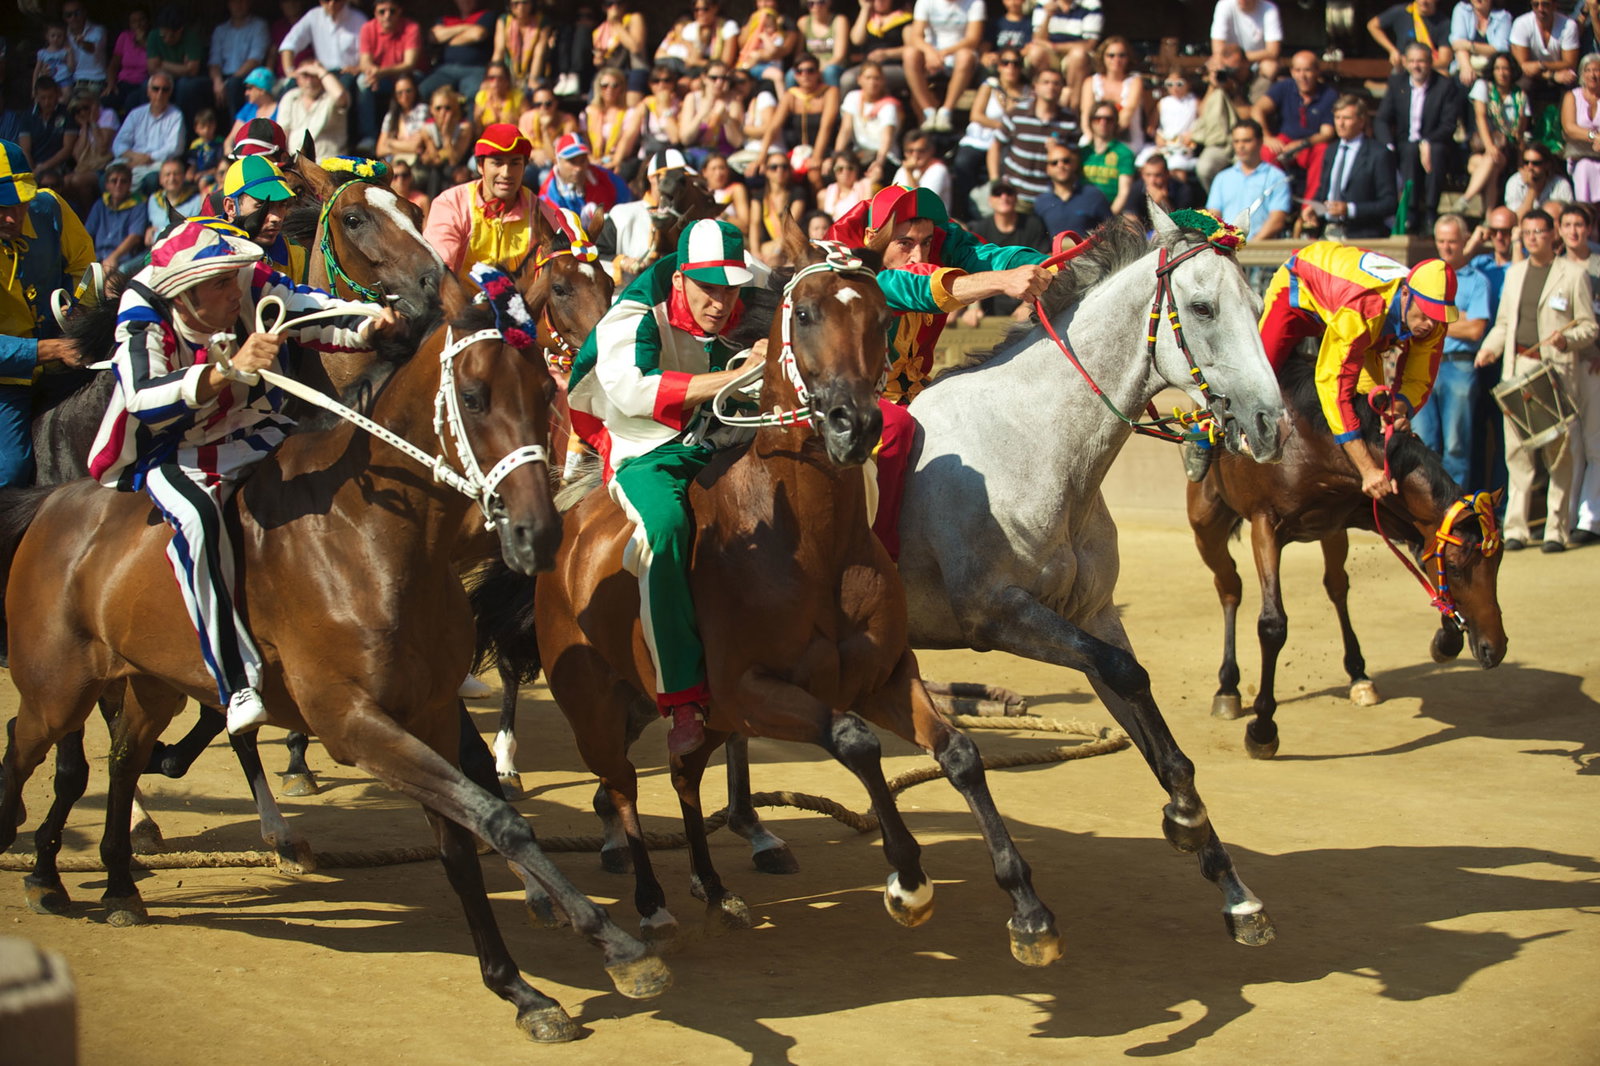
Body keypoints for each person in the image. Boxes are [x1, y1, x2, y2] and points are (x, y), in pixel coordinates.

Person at [87, 220, 395, 734]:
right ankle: (235, 681)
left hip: (260, 428)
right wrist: (224, 371)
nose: (237, 289)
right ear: (184, 297)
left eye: (235, 278)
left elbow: (312, 311)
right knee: (197, 520)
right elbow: (142, 396)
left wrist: (369, 326)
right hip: (173, 449)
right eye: (220, 285)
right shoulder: (143, 314)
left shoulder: (248, 283)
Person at [565, 218, 766, 756]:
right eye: (707, 287)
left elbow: (802, 290)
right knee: (668, 526)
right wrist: (737, 374)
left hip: (710, 435)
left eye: (730, 288)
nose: (721, 301)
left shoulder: (743, 291)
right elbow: (632, 394)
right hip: (639, 448)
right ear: (678, 280)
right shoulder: (629, 317)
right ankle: (680, 697)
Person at [1186, 241, 1459, 497]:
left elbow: (1419, 378)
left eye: (1437, 317)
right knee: (1255, 378)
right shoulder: (1363, 310)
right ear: (1406, 294)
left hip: (1350, 312)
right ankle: (1201, 431)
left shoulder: (1433, 319)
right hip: (1297, 292)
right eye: (1423, 314)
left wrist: (1399, 409)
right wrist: (1366, 469)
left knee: (1374, 413)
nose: (1429, 325)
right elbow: (1332, 387)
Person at [1476, 208, 1596, 550]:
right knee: (1517, 453)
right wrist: (1489, 350)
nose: (1532, 238)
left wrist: (1567, 339)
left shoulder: (1573, 274)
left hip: (1555, 371)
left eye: (1539, 232)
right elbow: (1502, 325)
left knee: (1559, 454)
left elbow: (1588, 326)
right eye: (1526, 232)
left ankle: (1556, 530)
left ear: (1552, 234)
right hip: (1517, 371)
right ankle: (1515, 528)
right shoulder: (1514, 274)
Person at [0, 138, 94, 487]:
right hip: (6, 382)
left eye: (20, 202)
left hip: (65, 356)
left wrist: (83, 315)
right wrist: (51, 349)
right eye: (1, 206)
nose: (12, 215)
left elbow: (86, 266)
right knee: (11, 471)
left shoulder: (49, 207)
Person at [1414, 214, 1493, 487]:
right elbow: (1412, 320)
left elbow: (1475, 331)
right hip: (1423, 364)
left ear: (1465, 241)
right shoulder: (1424, 278)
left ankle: (1455, 510)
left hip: (1459, 365)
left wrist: (1433, 319)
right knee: (1423, 443)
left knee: (1457, 445)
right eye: (1441, 241)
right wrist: (1457, 318)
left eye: (1452, 241)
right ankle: (1429, 509)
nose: (1446, 247)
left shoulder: (1477, 281)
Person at [426, 123, 541, 280]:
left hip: (521, 304)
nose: (506, 173)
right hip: (461, 302)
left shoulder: (541, 212)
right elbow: (438, 271)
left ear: (524, 167)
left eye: (515, 163)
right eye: (497, 163)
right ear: (480, 166)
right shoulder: (451, 204)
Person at [1376, 41, 1466, 234]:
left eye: (1422, 61)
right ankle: (1411, 210)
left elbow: (1449, 124)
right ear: (1406, 63)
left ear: (1430, 62)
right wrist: (1388, 146)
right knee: (1408, 150)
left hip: (1436, 143)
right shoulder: (1397, 84)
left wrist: (1427, 141)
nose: (1417, 66)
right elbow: (1382, 119)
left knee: (1436, 150)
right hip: (1403, 145)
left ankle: (1430, 211)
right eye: (1413, 61)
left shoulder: (1445, 86)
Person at [1559, 205, 1600, 544]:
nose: (1573, 231)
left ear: (1589, 229)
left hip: (1593, 363)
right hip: (1561, 366)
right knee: (1568, 446)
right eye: (1567, 225)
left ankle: (1591, 517)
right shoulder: (1554, 266)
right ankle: (1565, 519)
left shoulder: (1598, 265)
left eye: (1579, 225)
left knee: (1594, 443)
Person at [1302, 93, 1396, 240]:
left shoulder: (1378, 154)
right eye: (1337, 118)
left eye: (1346, 118)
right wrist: (1314, 208)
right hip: (1329, 231)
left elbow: (1389, 203)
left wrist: (1350, 209)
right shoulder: (1331, 151)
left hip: (1362, 234)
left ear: (1361, 121)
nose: (1340, 123)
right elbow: (1324, 190)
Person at [957, 179, 1048, 325]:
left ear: (1016, 198)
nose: (1004, 197)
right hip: (990, 310)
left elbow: (1045, 266)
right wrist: (973, 307)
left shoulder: (1033, 225)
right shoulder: (980, 228)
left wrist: (1029, 305)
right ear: (990, 200)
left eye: (1009, 192)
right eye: (998, 193)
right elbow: (971, 270)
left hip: (1027, 304)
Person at [598, 148, 693, 285]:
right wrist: (622, 262)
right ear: (652, 178)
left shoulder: (689, 220)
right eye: (672, 177)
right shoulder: (623, 214)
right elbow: (595, 255)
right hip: (627, 298)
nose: (678, 184)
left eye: (683, 179)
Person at [992, 65, 1076, 206]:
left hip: (1050, 197)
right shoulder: (1017, 113)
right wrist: (995, 179)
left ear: (1062, 88)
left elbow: (1074, 159)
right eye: (1046, 82)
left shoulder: (1069, 120)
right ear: (1035, 86)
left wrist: (1058, 151)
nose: (1051, 87)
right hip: (1016, 196)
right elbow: (996, 145)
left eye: (1056, 83)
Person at [1252, 51, 1335, 188]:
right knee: (1266, 151)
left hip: (1311, 144)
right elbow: (1257, 109)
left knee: (1323, 151)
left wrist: (1301, 144)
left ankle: (1309, 206)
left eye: (1307, 70)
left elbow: (1327, 134)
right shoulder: (1285, 86)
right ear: (1292, 72)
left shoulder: (1329, 95)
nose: (1302, 76)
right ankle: (1273, 200)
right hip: (1284, 141)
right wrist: (1266, 136)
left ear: (1317, 71)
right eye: (1298, 70)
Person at [216, 154, 304, 277]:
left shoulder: (298, 256)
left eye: (282, 205)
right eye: (262, 205)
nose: (276, 218)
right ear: (231, 207)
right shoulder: (207, 251)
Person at [903, 0, 984, 132]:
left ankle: (946, 112)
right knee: (909, 54)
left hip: (958, 55)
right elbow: (916, 36)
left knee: (966, 56)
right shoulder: (925, 2)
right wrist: (930, 52)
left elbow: (973, 39)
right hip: (930, 56)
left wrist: (944, 53)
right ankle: (928, 111)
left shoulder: (975, 3)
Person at [1462, 51, 1528, 212]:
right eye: (1498, 68)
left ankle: (1466, 199)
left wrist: (1521, 163)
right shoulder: (1483, 86)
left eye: (1505, 69)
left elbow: (1520, 132)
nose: (1502, 73)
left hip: (1507, 149)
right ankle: (1488, 216)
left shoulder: (1520, 95)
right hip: (1484, 147)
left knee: (1492, 161)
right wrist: (1490, 146)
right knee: (1491, 164)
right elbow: (1481, 117)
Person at [356, 0, 424, 154]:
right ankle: (369, 137)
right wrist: (372, 73)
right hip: (382, 80)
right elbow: (365, 61)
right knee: (363, 82)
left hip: (408, 77)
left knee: (420, 82)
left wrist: (379, 71)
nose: (387, 16)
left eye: (392, 11)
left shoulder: (411, 28)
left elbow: (409, 64)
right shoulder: (367, 28)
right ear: (375, 13)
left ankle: (416, 135)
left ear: (399, 11)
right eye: (382, 11)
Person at [1204, 118, 1288, 238]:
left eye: (1247, 141)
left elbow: (1277, 220)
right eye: (1236, 141)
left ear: (1260, 142)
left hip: (1261, 251)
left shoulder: (1277, 177)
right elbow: (1213, 216)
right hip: (1227, 249)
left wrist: (1250, 246)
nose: (1241, 146)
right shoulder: (1222, 178)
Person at [112, 74, 186, 194]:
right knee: (109, 176)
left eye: (165, 89)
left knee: (151, 180)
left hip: (157, 163)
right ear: (148, 91)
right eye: (156, 89)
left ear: (170, 92)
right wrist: (136, 157)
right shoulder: (136, 114)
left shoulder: (176, 115)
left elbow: (175, 148)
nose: (160, 93)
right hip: (132, 160)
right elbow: (118, 143)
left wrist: (148, 158)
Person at [1026, 0, 1102, 105]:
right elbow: (1037, 39)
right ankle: (1037, 103)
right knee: (1036, 53)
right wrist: (1048, 16)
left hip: (1073, 53)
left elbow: (1090, 43)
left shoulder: (1090, 4)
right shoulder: (1043, 3)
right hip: (1050, 53)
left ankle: (1072, 107)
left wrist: (1055, 47)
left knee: (1078, 56)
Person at [537, 131, 633, 214]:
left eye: (582, 160)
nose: (578, 168)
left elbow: (627, 203)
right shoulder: (547, 196)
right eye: (572, 161)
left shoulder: (607, 177)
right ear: (557, 161)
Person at [1031, 138, 1110, 236]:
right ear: (1047, 169)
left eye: (1066, 161)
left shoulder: (1094, 195)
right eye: (1054, 163)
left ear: (1074, 164)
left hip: (1089, 251)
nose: (1061, 165)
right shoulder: (1041, 202)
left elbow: (1111, 232)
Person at [1081, 36, 1147, 153]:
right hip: (1095, 136)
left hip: (1127, 137)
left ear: (1128, 58)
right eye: (1111, 55)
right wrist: (1093, 137)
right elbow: (1086, 113)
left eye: (1122, 55)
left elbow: (1128, 112)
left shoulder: (1135, 81)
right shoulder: (1090, 82)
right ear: (1103, 57)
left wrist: (1108, 140)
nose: (1116, 59)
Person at [278, 60, 352, 161]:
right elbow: (283, 134)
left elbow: (339, 95)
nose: (309, 81)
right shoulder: (290, 97)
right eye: (305, 76)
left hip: (328, 165)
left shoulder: (331, 97)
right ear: (298, 79)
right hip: (297, 165)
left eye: (314, 76)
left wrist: (320, 70)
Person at [212, 0, 273, 121]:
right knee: (191, 87)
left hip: (246, 76)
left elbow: (255, 59)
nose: (238, 5)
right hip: (222, 77)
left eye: (242, 1)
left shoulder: (259, 26)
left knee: (234, 85)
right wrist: (217, 82)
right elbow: (214, 61)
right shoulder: (220, 30)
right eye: (235, 2)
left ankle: (237, 133)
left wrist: (229, 81)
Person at [86, 163, 146, 273]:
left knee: (109, 285)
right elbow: (87, 233)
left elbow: (135, 237)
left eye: (123, 181)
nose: (118, 185)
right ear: (107, 185)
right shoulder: (100, 204)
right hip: (97, 257)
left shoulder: (138, 205)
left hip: (123, 259)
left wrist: (113, 257)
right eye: (114, 181)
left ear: (130, 184)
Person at [1081, 100, 1136, 215]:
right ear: (1091, 122)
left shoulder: (1124, 153)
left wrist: (1106, 221)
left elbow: (1123, 192)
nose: (1103, 122)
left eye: (1108, 119)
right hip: (1081, 212)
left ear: (1115, 122)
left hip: (1109, 214)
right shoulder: (1082, 152)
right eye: (1098, 118)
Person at [1368, 0, 1454, 73]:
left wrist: (1417, 65)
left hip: (1429, 71)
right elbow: (1372, 25)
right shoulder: (1401, 12)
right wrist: (1392, 51)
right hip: (1402, 69)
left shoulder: (1444, 23)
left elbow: (1444, 61)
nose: (1423, 1)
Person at [1211, 0, 1283, 86]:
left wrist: (1241, 58)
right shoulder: (1223, 5)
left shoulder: (1270, 9)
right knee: (1214, 68)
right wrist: (1226, 63)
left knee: (1270, 67)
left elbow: (1273, 51)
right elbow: (1217, 50)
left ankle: (1259, 95)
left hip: (1257, 62)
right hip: (1229, 63)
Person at [1123, 153, 1199, 231]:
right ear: (1142, 174)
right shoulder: (1136, 188)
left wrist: (1164, 203)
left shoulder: (1183, 190)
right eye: (1148, 175)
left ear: (1167, 174)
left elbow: (1182, 225)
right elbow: (1130, 217)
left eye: (1157, 175)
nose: (1152, 181)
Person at [1560, 52, 1600, 200]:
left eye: (1597, 70)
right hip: (1580, 155)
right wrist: (1594, 137)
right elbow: (1570, 128)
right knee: (1584, 168)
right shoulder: (1572, 96)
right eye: (1588, 70)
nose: (1592, 75)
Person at [1504, 140, 1573, 219]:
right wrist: (1532, 189)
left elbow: (1566, 217)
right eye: (1526, 162)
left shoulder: (1561, 184)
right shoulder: (1514, 182)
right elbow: (1517, 219)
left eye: (1535, 163)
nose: (1530, 167)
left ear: (1547, 165)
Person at [1451, 0, 1513, 86]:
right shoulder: (1461, 9)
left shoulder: (1504, 17)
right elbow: (1457, 44)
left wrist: (1470, 46)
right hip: (1465, 67)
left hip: (1492, 73)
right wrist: (1466, 67)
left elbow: (1501, 49)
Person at [890, 128, 951, 202]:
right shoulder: (903, 170)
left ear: (931, 150)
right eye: (910, 151)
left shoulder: (938, 169)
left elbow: (921, 205)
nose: (915, 155)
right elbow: (893, 199)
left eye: (921, 151)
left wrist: (909, 173)